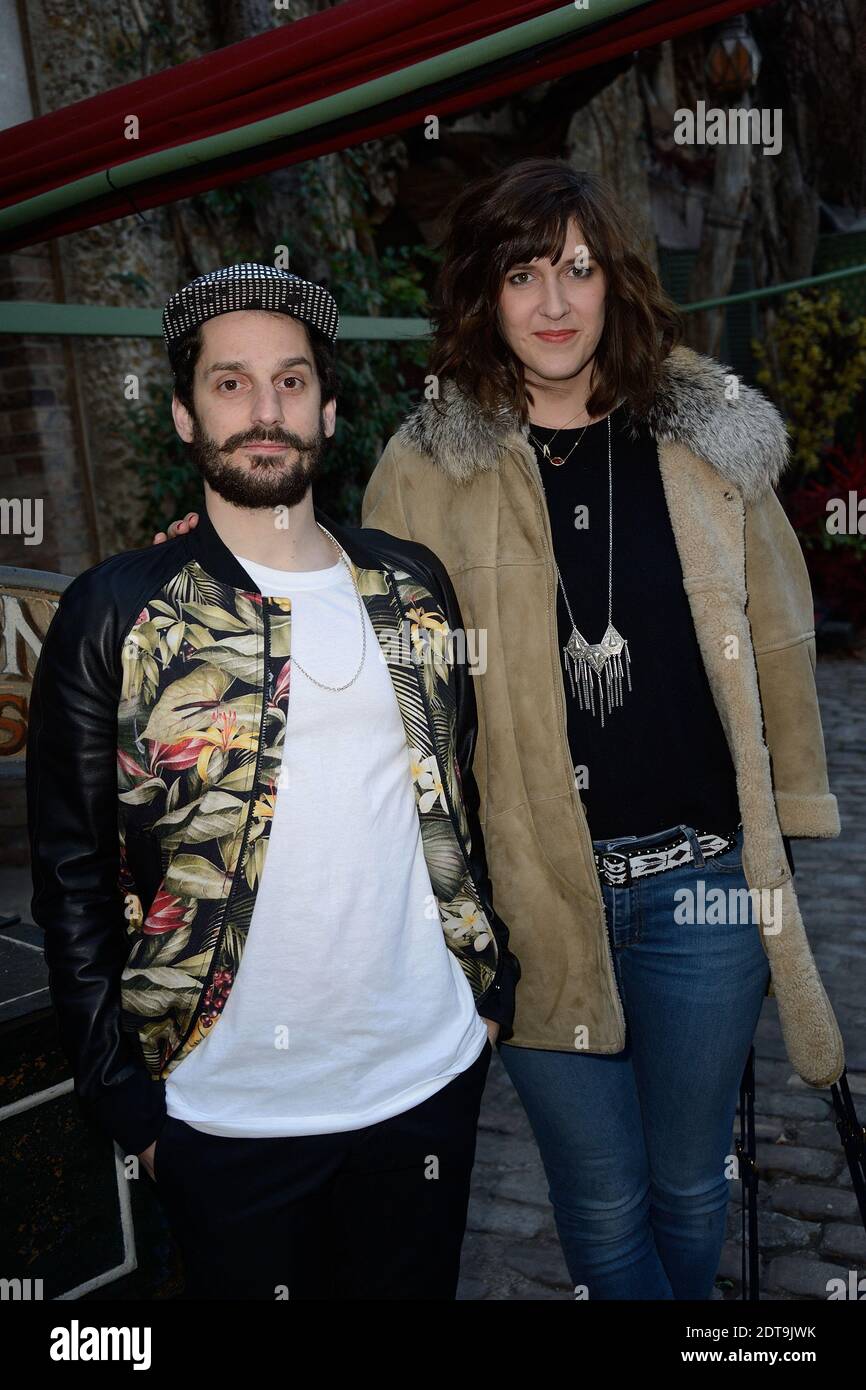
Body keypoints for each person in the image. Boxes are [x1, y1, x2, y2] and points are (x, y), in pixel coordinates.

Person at [157, 160, 844, 1302]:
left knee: (687, 1189)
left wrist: (796, 812)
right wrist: (221, 560)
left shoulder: (707, 439)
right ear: (486, 293)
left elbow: (778, 634)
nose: (555, 303)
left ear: (615, 281)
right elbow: (350, 623)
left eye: (577, 269)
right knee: (603, 1204)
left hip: (704, 896)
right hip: (527, 904)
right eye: (522, 274)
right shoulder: (427, 464)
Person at [26, 262, 519, 1301]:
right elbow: (71, 876)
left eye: (291, 382)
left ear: (329, 412)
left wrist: (483, 997)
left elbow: (449, 799)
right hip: (226, 1110)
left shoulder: (410, 585)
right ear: (181, 413)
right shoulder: (118, 612)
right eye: (230, 382)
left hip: (423, 1076)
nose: (265, 409)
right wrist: (124, 1100)